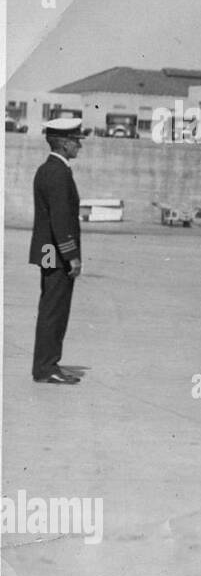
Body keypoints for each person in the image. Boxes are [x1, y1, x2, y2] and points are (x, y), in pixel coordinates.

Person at [30, 116, 87, 384]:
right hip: (56, 251)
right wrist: (71, 256)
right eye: (76, 141)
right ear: (64, 143)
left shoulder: (48, 169)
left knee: (50, 307)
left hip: (48, 250)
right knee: (55, 308)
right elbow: (61, 219)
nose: (80, 146)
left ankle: (46, 364)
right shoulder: (57, 173)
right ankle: (46, 368)